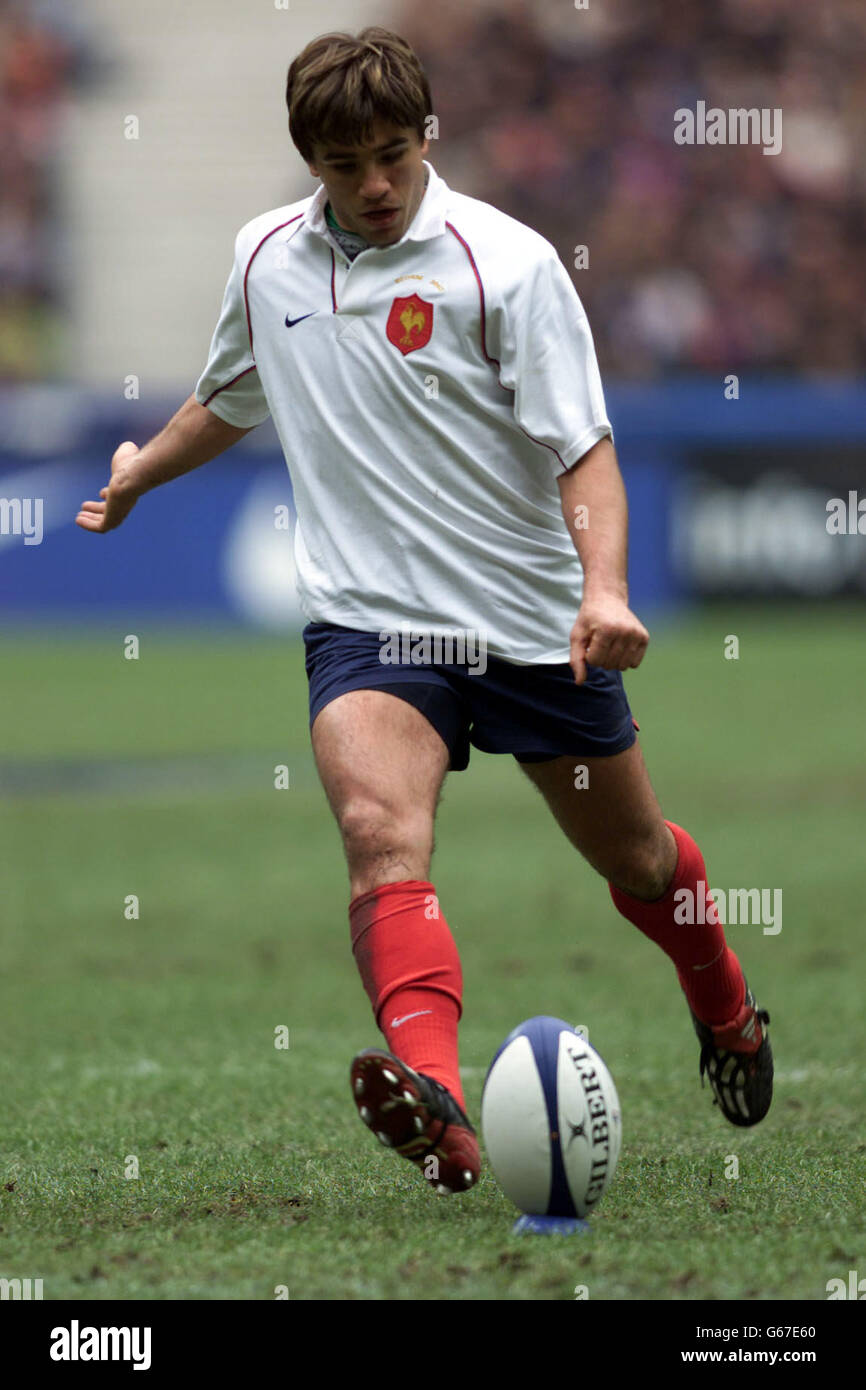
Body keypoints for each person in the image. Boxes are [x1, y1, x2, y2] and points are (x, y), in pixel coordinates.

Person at [76, 27, 773, 1197]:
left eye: (395, 155)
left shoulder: (503, 264)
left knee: (642, 861)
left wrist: (602, 588)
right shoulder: (264, 258)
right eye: (347, 166)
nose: (377, 185)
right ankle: (440, 1104)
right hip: (370, 626)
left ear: (425, 137)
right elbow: (228, 394)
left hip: (532, 625)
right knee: (376, 836)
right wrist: (144, 468)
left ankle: (725, 1005)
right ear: (312, 162)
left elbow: (583, 450)